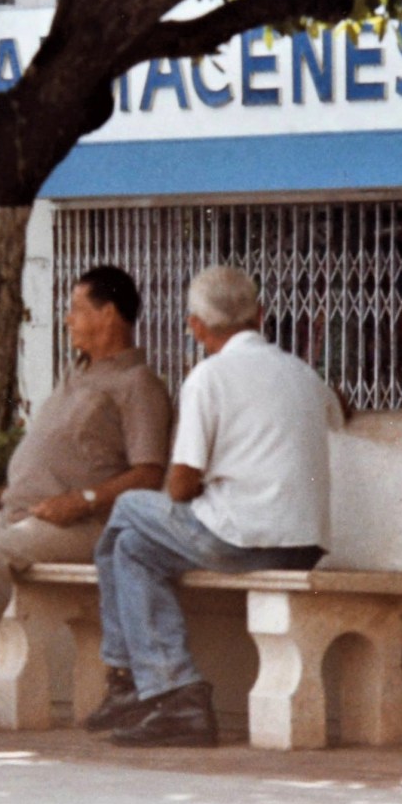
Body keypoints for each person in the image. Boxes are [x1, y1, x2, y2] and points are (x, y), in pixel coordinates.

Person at [0, 265, 172, 741]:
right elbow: (58, 455)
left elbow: (148, 473)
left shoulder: (138, 384)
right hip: (21, 512)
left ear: (108, 315)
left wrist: (80, 502)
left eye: (77, 309)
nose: (68, 319)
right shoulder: (76, 375)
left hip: (86, 524)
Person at [85, 265, 346, 748]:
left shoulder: (208, 376)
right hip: (304, 544)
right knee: (133, 549)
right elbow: (341, 411)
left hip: (240, 540)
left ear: (196, 326)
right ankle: (171, 695)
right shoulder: (304, 374)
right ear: (260, 315)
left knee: (126, 511)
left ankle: (124, 673)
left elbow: (180, 486)